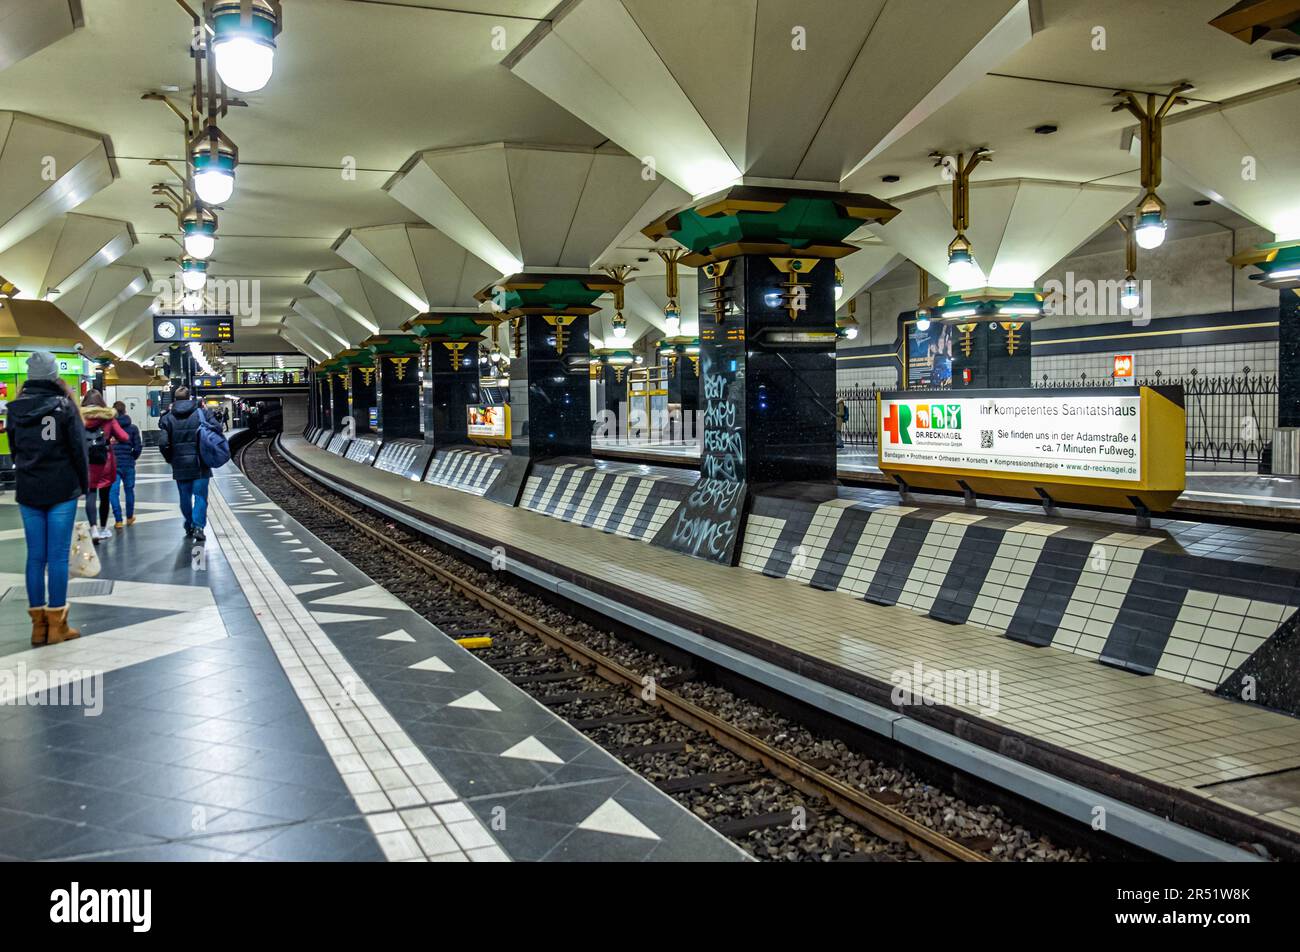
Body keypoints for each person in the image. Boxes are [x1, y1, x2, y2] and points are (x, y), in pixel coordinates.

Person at [8, 352, 89, 645]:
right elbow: (79, 451)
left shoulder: (14, 409)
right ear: (54, 375)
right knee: (56, 556)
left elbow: (14, 450)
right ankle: (58, 626)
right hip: (62, 489)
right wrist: (84, 485)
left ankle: (37, 627)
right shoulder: (65, 406)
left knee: (35, 557)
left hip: (29, 489)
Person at [158, 386, 214, 544]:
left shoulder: (167, 418)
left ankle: (189, 523)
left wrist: (170, 458)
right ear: (190, 398)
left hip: (180, 463)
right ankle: (198, 527)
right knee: (200, 496)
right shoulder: (201, 414)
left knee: (184, 496)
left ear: (175, 399)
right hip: (200, 462)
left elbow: (163, 442)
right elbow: (216, 429)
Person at [80, 390, 131, 542]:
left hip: (86, 461)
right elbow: (124, 437)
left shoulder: (78, 417)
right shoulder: (108, 418)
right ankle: (103, 528)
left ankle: (93, 528)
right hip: (105, 460)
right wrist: (110, 439)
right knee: (104, 496)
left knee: (90, 494)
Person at [109, 400, 143, 529]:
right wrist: (132, 457)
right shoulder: (133, 428)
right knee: (129, 490)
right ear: (125, 411)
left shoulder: (110, 427)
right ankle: (129, 517)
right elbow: (138, 447)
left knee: (113, 492)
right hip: (128, 463)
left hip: (114, 464)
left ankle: (118, 520)